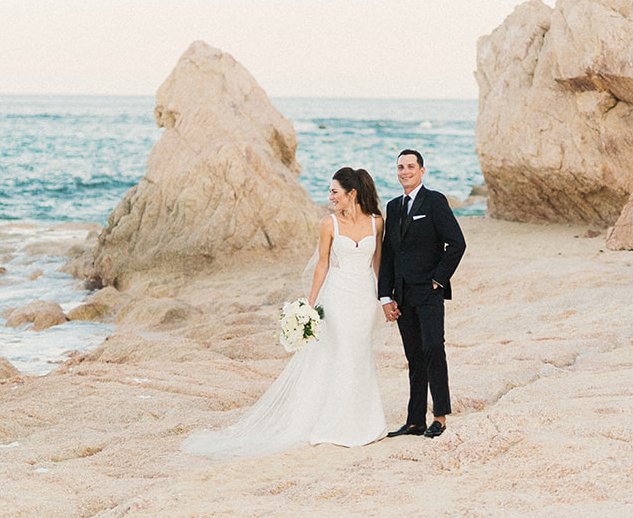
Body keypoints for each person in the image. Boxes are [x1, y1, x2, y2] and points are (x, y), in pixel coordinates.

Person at [181, 167, 387, 458]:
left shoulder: (377, 223)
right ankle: (337, 423)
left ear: (351, 193)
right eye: (330, 191)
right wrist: (311, 305)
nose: (330, 197)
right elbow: (322, 265)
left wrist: (384, 297)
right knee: (342, 353)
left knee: (360, 354)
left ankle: (365, 422)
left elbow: (377, 263)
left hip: (364, 297)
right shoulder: (328, 224)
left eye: (334, 192)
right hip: (338, 297)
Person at [379, 149, 466, 439]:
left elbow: (456, 243)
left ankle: (439, 416)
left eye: (411, 167)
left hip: (428, 293)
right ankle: (414, 421)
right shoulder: (393, 206)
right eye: (400, 167)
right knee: (414, 358)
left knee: (433, 350)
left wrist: (438, 281)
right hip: (402, 295)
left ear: (422, 170)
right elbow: (389, 254)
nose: (405, 172)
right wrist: (385, 297)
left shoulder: (435, 201)